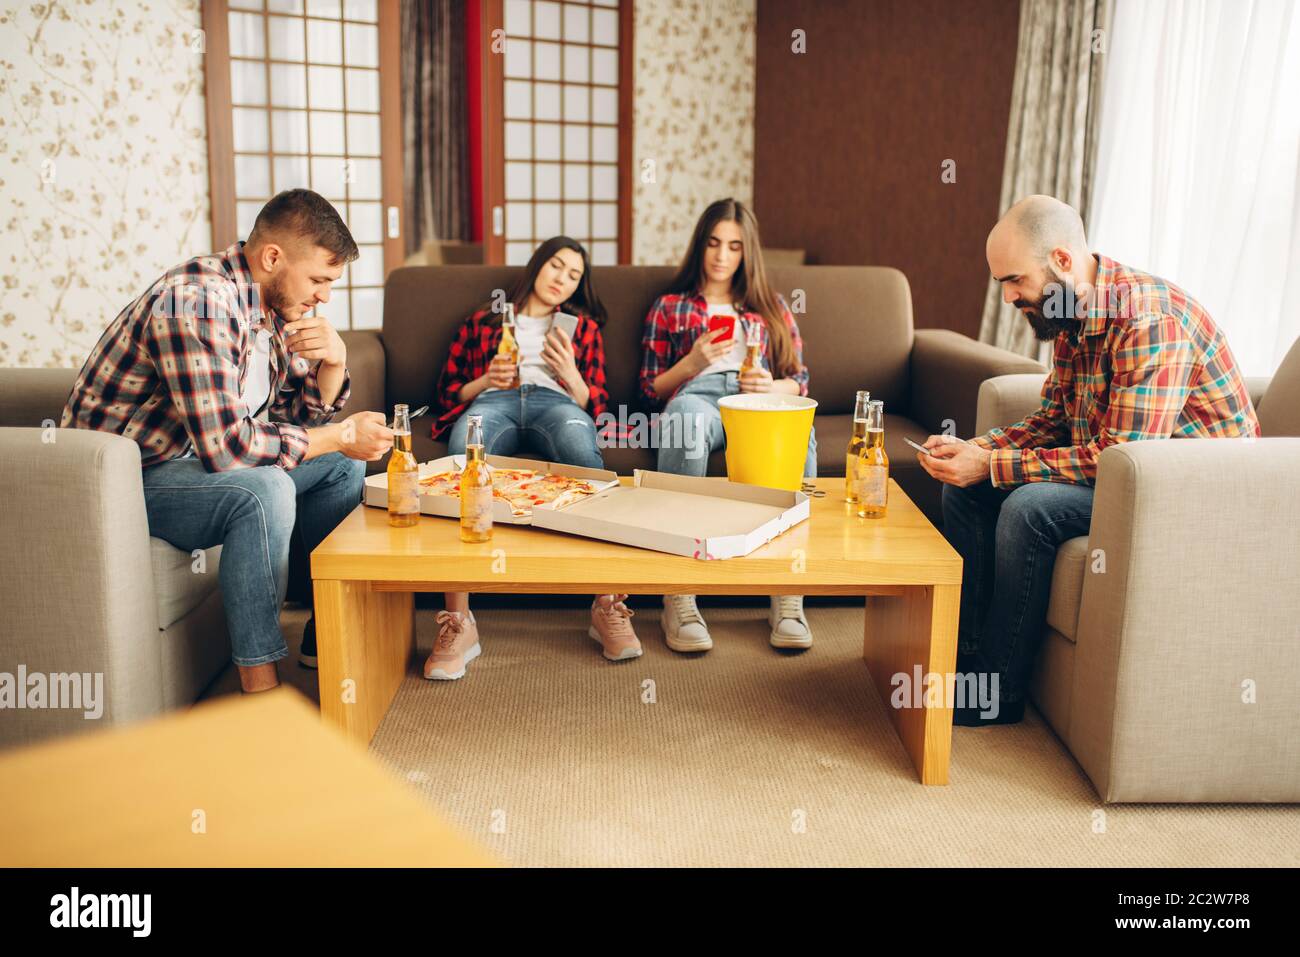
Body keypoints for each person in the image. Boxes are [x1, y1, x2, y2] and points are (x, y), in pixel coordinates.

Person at [920, 194, 1261, 725]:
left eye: (1014, 281)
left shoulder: (1149, 322)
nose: (1009, 297)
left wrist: (992, 465)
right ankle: (966, 662)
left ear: (1060, 261)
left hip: (1188, 493)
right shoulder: (1068, 312)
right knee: (962, 488)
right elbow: (1053, 419)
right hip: (1130, 472)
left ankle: (998, 690)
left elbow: (1121, 459)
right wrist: (980, 449)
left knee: (1030, 508)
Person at [62, 188, 394, 693]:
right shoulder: (196, 302)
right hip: (123, 481)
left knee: (339, 467)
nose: (325, 296)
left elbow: (286, 420)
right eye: (320, 279)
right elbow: (231, 450)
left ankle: (325, 633)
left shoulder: (267, 307)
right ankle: (260, 688)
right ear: (272, 257)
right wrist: (343, 433)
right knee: (267, 490)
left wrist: (335, 364)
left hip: (188, 461)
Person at [426, 236, 640, 679]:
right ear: (537, 265)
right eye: (556, 266)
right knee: (464, 461)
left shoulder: (581, 329)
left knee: (587, 459)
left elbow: (595, 403)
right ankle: (459, 622)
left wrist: (571, 374)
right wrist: (486, 377)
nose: (562, 279)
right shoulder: (483, 322)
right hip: (494, 401)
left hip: (557, 402)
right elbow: (448, 394)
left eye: (574, 275)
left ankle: (607, 605)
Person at [639, 198, 817, 653]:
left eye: (734, 247)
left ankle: (788, 595)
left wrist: (771, 385)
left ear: (747, 253)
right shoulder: (671, 306)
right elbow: (650, 390)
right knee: (685, 423)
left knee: (801, 428)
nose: (722, 256)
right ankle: (679, 593)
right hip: (696, 396)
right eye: (714, 243)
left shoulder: (770, 306)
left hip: (756, 400)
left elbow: (800, 382)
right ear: (700, 246)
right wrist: (692, 362)